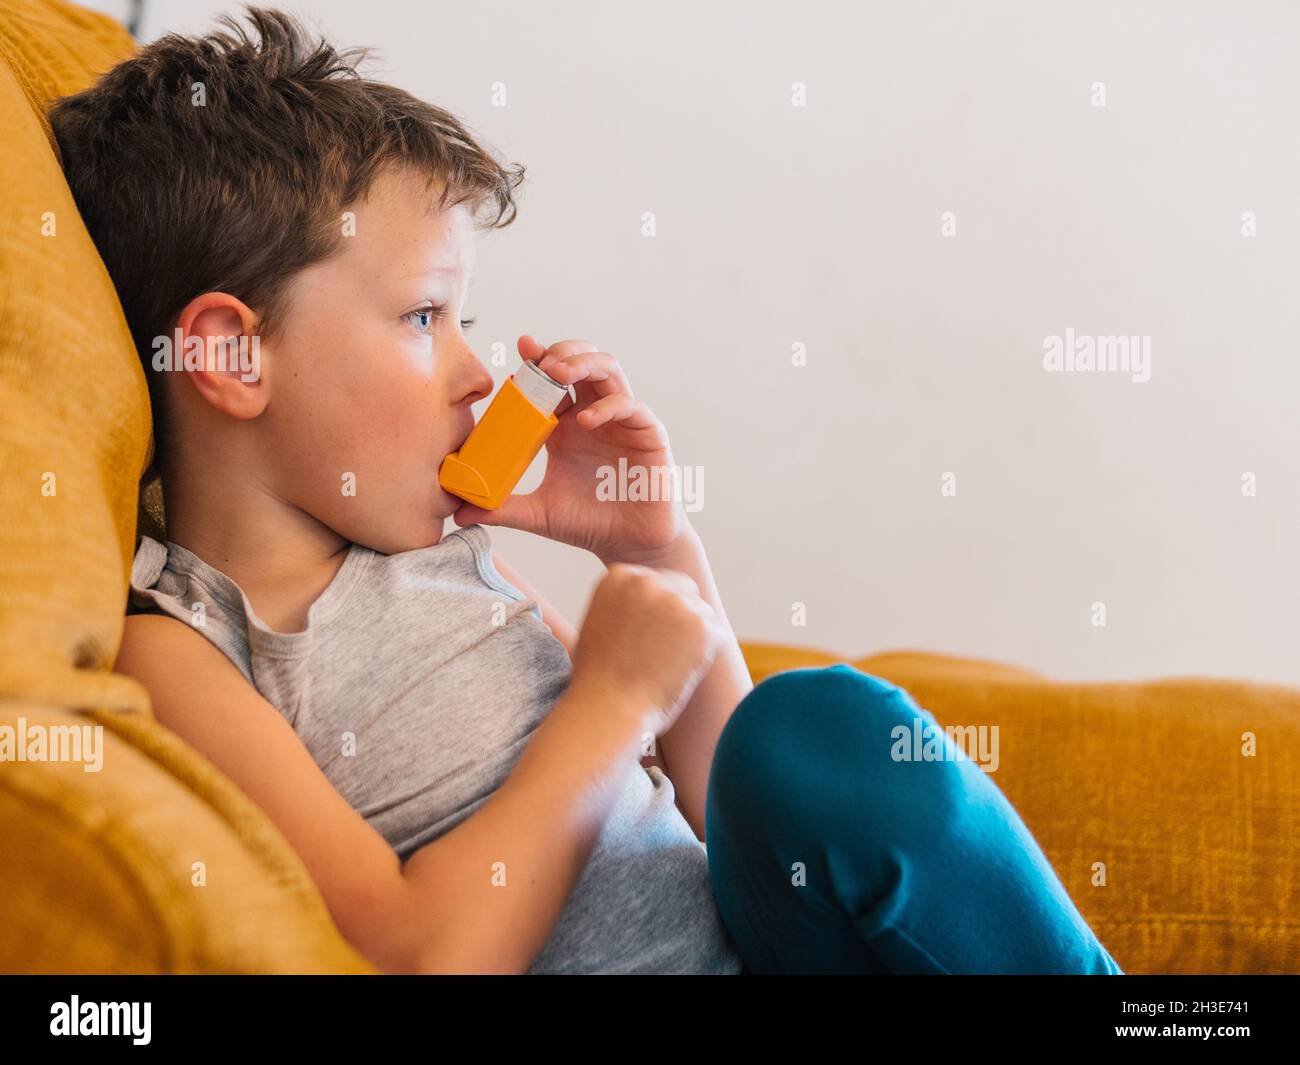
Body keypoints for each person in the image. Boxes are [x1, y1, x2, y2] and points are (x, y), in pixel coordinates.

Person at [52, 6, 1121, 975]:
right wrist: (610, 702)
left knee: (809, 734)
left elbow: (726, 812)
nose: (475, 372)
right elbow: (421, 956)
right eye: (424, 317)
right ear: (233, 361)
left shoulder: (439, 566)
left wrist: (652, 555)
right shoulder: (186, 653)